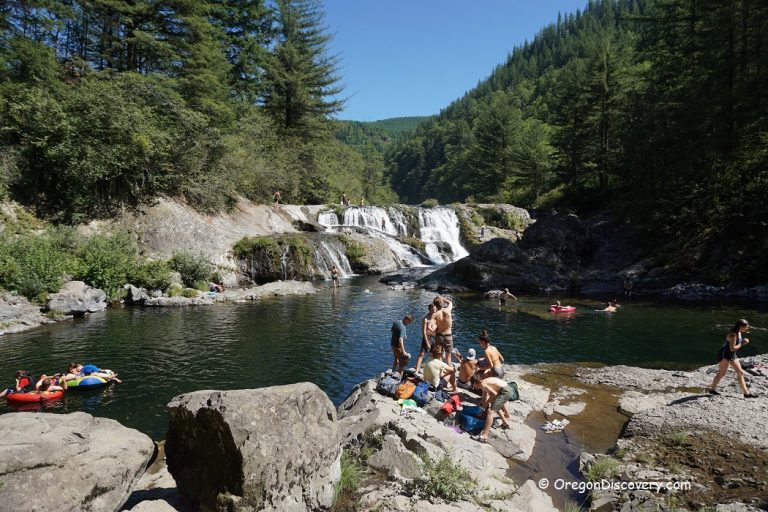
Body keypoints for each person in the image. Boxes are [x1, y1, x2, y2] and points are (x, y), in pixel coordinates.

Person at [710, 319, 758, 398]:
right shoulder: (733, 335)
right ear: (740, 326)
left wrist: (742, 341)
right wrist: (743, 343)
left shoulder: (739, 332)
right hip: (725, 355)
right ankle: (712, 389)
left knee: (740, 372)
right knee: (722, 373)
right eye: (746, 327)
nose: (747, 328)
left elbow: (733, 348)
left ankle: (746, 393)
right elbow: (732, 348)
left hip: (732, 354)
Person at [470, 374, 515, 443]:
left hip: (505, 391)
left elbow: (494, 394)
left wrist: (485, 405)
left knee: (490, 411)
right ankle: (505, 423)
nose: (473, 387)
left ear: (475, 383)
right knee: (495, 406)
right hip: (506, 389)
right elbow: (484, 397)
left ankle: (484, 436)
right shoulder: (483, 382)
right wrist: (481, 406)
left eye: (472, 384)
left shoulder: (482, 384)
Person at [432, 296, 455, 366]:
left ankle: (441, 369)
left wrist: (434, 331)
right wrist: (443, 299)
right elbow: (450, 302)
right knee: (448, 356)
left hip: (439, 335)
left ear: (435, 305)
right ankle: (448, 368)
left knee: (439, 354)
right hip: (448, 335)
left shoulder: (435, 314)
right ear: (442, 303)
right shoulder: (448, 310)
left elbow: (431, 327)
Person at [414, 303, 437, 374]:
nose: (434, 310)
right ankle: (417, 370)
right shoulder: (426, 318)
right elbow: (423, 331)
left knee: (433, 354)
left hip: (435, 337)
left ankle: (432, 369)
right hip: (427, 337)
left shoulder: (436, 317)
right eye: (432, 309)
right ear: (429, 309)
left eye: (435, 309)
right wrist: (427, 342)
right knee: (422, 354)